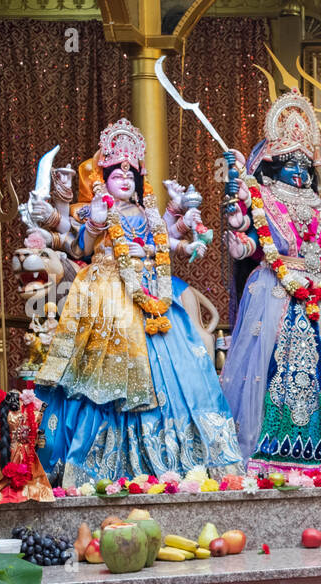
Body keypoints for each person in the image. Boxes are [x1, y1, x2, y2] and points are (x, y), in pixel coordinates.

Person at [31, 118, 241, 485]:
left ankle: (185, 457)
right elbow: (79, 247)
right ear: (104, 179)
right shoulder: (94, 210)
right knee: (107, 380)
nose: (124, 180)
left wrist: (186, 237)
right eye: (115, 174)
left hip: (155, 291)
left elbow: (164, 241)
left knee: (188, 367)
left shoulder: (147, 213)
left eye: (130, 174)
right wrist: (91, 222)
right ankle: (107, 463)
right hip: (109, 297)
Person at [220, 65, 321, 472]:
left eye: (305, 164)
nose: (298, 171)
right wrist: (236, 216)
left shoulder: (318, 200)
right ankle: (276, 450)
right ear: (271, 164)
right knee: (276, 366)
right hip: (275, 289)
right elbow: (249, 241)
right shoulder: (262, 195)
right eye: (289, 162)